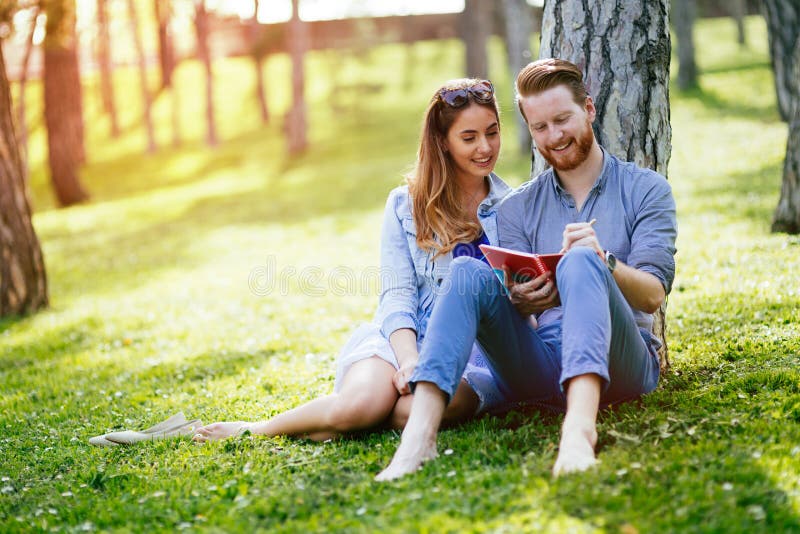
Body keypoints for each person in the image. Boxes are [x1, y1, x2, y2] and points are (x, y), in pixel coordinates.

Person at [376, 58, 677, 480]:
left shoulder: (646, 190)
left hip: (623, 366)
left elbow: (652, 295)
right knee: (467, 271)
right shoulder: (517, 207)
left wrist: (604, 262)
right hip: (539, 368)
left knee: (581, 258)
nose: (554, 136)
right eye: (540, 127)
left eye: (562, 120)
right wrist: (519, 299)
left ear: (588, 110)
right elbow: (519, 306)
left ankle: (578, 433)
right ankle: (418, 441)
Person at [193, 79, 511, 443]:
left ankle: (342, 421)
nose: (485, 147)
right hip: (404, 340)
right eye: (469, 138)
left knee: (436, 404)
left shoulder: (513, 207)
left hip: (474, 358)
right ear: (443, 141)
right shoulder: (405, 205)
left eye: (492, 132)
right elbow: (397, 294)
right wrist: (408, 361)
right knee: (359, 406)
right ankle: (256, 429)